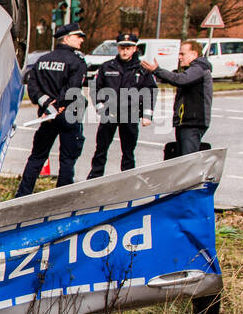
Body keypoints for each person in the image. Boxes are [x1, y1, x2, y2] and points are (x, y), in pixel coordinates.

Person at [16, 22, 89, 197]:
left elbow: (32, 87)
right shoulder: (77, 62)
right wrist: (57, 106)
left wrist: (47, 105)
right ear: (67, 38)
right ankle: (62, 197)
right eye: (78, 37)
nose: (81, 40)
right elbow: (73, 90)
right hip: (68, 115)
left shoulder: (42, 60)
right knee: (67, 159)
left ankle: (22, 195)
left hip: (47, 117)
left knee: (37, 157)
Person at [87, 33, 156, 178]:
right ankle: (95, 177)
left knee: (128, 151)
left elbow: (149, 92)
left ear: (135, 48)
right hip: (109, 113)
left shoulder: (142, 69)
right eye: (122, 48)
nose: (125, 51)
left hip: (130, 114)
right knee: (101, 149)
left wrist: (147, 115)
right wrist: (101, 109)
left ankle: (128, 179)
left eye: (128, 48)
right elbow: (95, 89)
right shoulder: (107, 67)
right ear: (117, 48)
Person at [143, 39, 213, 156]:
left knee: (188, 159)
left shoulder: (199, 69)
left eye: (182, 54)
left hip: (192, 123)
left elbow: (180, 80)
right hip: (186, 122)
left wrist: (157, 71)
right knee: (181, 158)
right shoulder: (194, 69)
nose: (179, 57)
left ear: (194, 54)